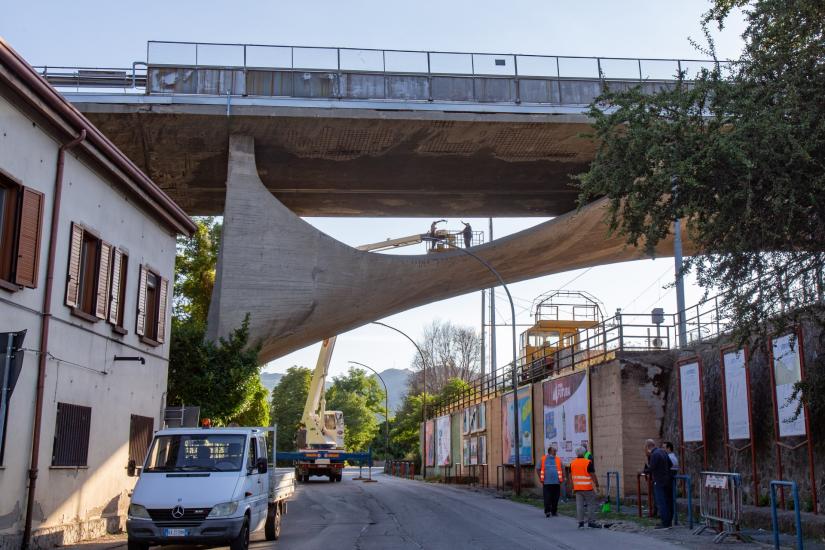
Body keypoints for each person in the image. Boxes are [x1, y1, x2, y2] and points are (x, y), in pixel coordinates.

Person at [645, 439, 674, 529]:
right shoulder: (663, 452)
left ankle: (664, 523)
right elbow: (670, 464)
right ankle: (669, 522)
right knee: (668, 502)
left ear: (648, 447)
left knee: (661, 502)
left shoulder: (654, 454)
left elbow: (651, 468)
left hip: (659, 481)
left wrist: (643, 471)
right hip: (667, 480)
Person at [571, 446, 600, 528]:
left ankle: (581, 522)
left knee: (579, 505)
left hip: (577, 488)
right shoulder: (588, 463)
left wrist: (573, 487)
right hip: (587, 488)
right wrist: (597, 485)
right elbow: (593, 475)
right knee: (591, 504)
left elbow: (571, 476)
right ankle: (591, 522)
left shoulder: (572, 463)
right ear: (584, 453)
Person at [536, 446, 564, 517]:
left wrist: (563, 477)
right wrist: (540, 477)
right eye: (554, 451)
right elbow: (538, 468)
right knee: (547, 498)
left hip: (556, 482)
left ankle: (554, 511)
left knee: (556, 498)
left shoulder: (558, 459)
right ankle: (547, 511)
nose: (555, 452)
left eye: (555, 451)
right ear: (549, 452)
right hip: (547, 482)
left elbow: (562, 469)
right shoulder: (543, 459)